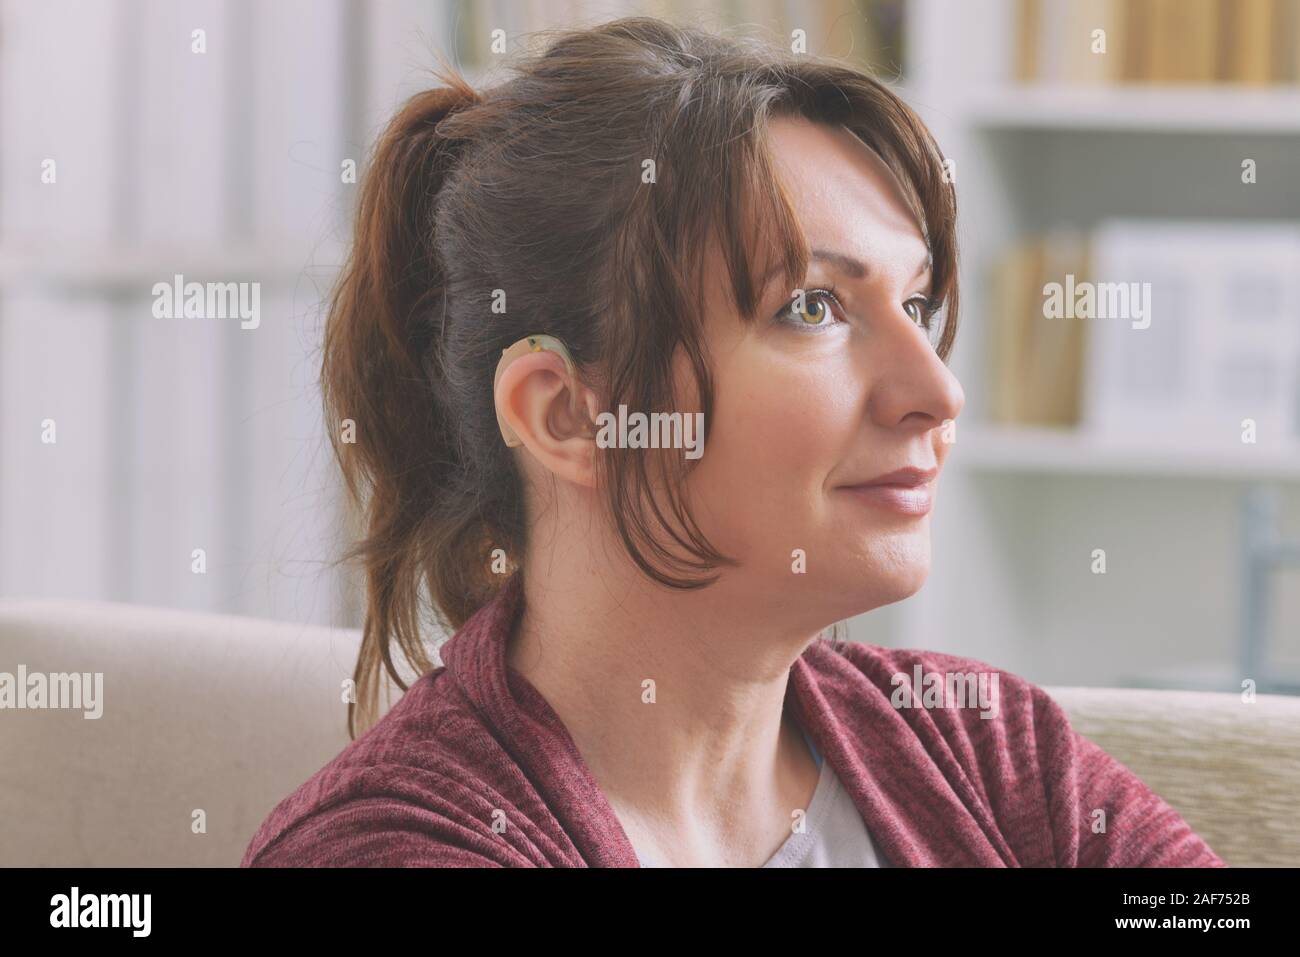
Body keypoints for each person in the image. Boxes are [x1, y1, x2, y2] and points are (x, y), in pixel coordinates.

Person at [242, 16, 1224, 868]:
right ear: (564, 413)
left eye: (916, 304)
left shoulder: (984, 749)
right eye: (813, 308)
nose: (935, 391)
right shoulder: (396, 847)